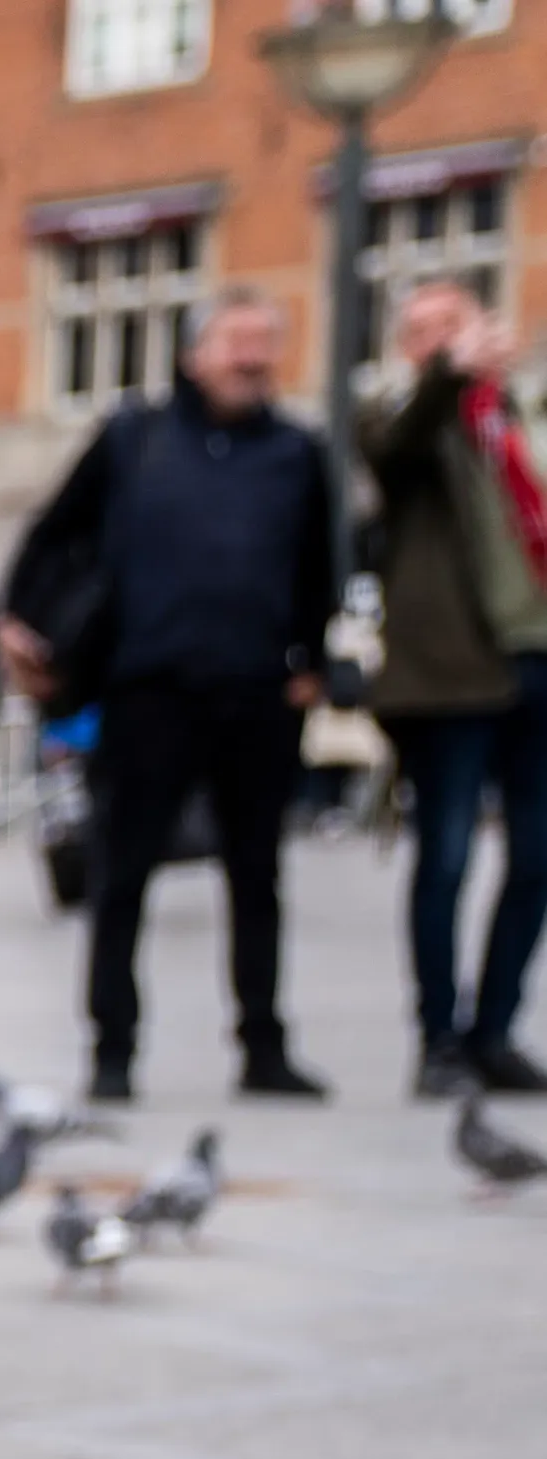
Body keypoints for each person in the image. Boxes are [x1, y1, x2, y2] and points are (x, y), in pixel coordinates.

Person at [1, 291, 340, 1102]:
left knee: (256, 878)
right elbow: (52, 536)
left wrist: (313, 658)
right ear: (194, 354)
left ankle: (264, 1046)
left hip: (257, 694)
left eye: (266, 343)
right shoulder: (133, 438)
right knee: (121, 879)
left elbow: (322, 564)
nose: (252, 358)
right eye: (237, 342)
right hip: (147, 692)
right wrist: (17, 622)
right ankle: (111, 1050)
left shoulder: (297, 452)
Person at [359, 278, 547, 1098]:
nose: (442, 341)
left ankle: (495, 1030)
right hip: (451, 672)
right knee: (448, 855)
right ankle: (438, 1040)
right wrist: (448, 379)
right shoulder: (399, 413)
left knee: (537, 856)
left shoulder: (522, 413)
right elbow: (395, 451)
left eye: (456, 326)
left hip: (538, 654)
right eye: (424, 331)